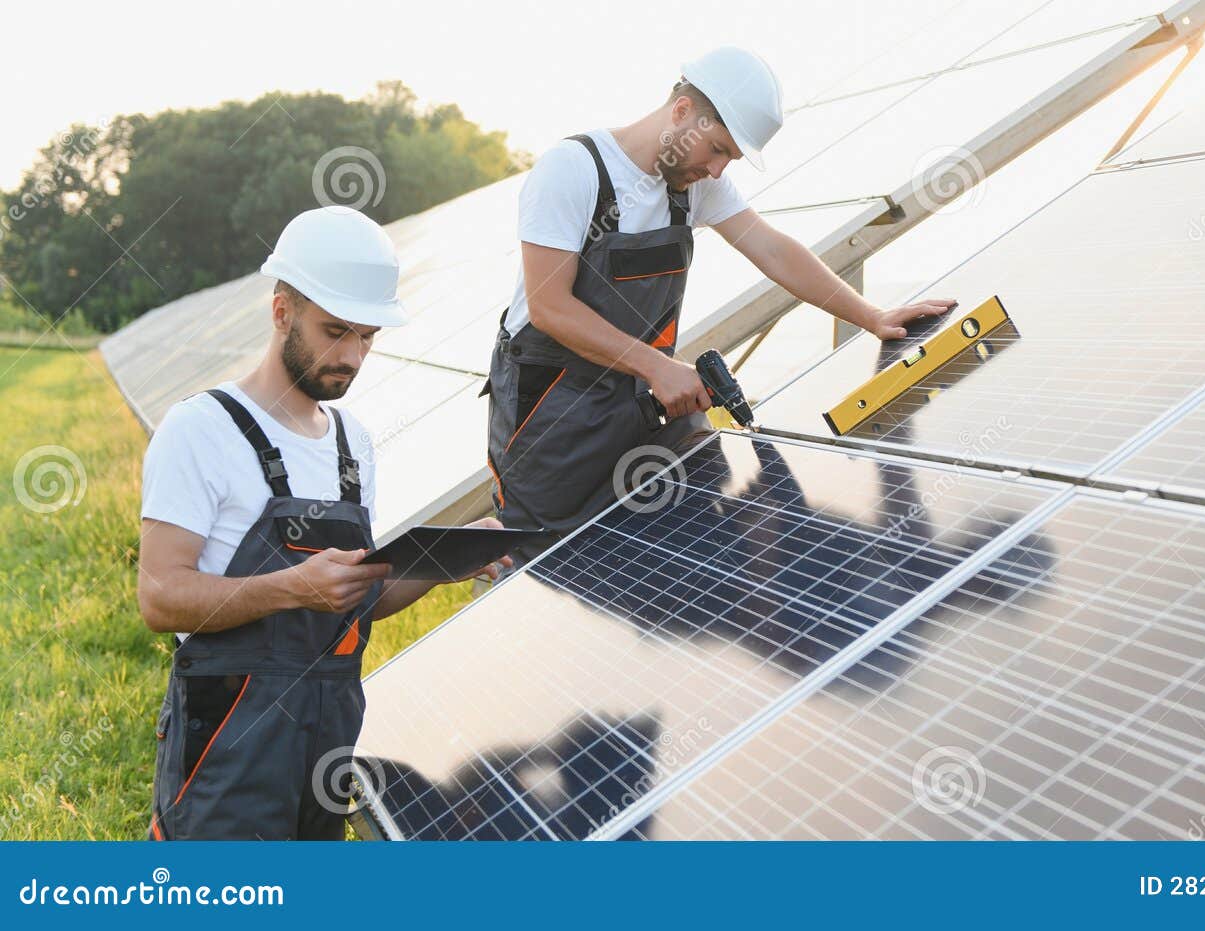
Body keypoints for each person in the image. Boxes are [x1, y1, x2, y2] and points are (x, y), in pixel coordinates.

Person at [137, 205, 509, 840]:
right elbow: (160, 596)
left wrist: (444, 561)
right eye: (335, 331)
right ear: (282, 309)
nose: (353, 356)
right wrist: (288, 588)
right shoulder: (202, 429)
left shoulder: (352, 444)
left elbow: (352, 602)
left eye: (367, 336)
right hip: (231, 738)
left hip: (330, 734)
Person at [485, 45, 954, 535]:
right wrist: (656, 366)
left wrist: (872, 317)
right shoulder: (573, 170)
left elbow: (773, 251)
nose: (717, 171)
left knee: (695, 533)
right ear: (683, 112)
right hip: (551, 412)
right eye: (718, 150)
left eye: (729, 158)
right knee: (540, 552)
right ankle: (484, 549)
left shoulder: (691, 185)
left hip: (638, 399)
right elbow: (549, 307)